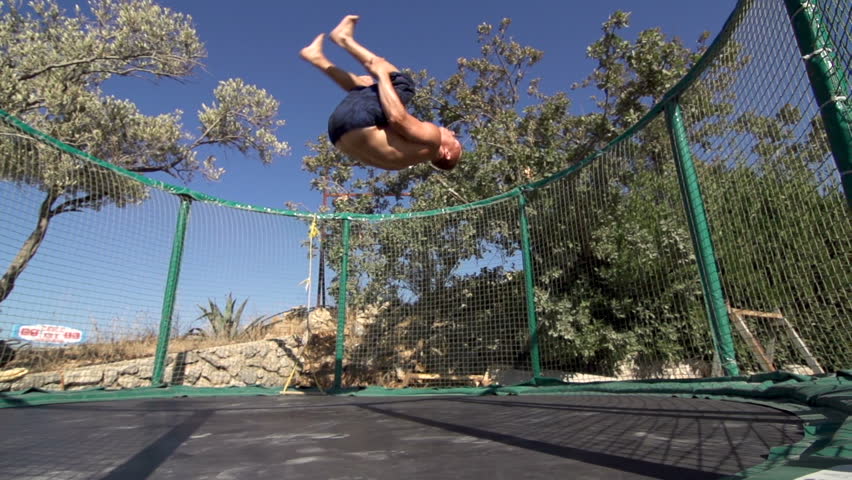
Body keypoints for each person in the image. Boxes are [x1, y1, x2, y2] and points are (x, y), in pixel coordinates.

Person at [300, 15, 462, 171]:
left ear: (446, 153)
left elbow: (397, 118)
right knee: (367, 87)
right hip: (337, 133)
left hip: (360, 121)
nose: (453, 133)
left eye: (454, 140)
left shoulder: (433, 141)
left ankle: (344, 39)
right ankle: (316, 58)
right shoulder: (403, 161)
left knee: (404, 84)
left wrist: (381, 74)